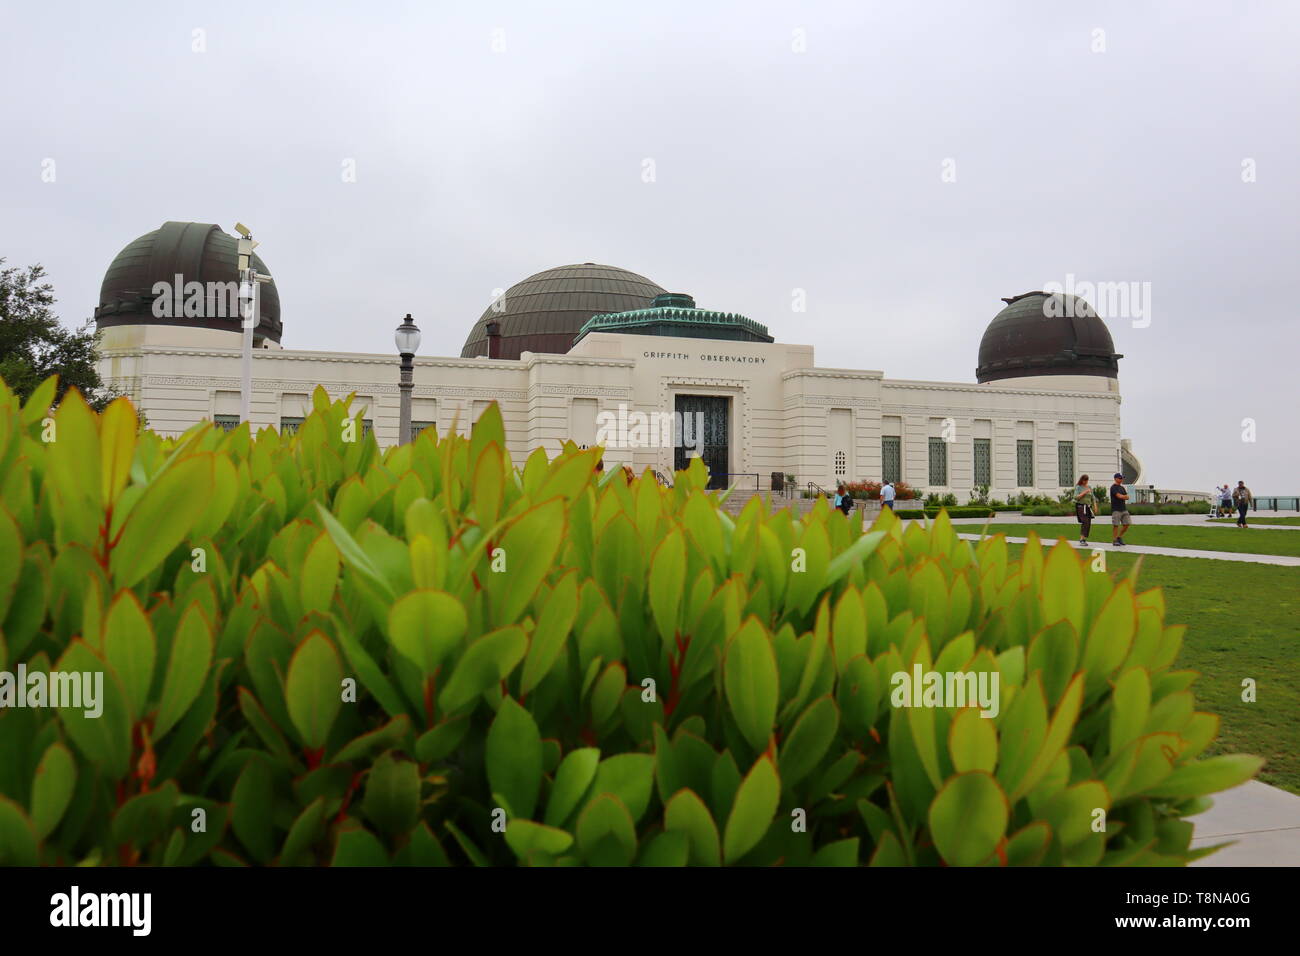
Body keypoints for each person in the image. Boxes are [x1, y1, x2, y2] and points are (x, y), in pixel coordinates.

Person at [1073, 475, 1094, 545]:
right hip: (1081, 506)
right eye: (1084, 480)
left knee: (1088, 522)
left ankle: (1084, 538)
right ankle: (1081, 539)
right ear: (1082, 480)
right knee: (1085, 521)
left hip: (1088, 507)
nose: (1085, 482)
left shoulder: (1089, 487)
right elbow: (1076, 497)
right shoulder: (1078, 487)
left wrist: (1095, 506)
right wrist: (1084, 492)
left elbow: (1093, 497)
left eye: (1087, 480)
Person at [1109, 473, 1130, 546]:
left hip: (1123, 509)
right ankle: (1114, 540)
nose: (1121, 479)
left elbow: (1127, 497)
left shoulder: (1122, 488)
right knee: (1116, 525)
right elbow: (1119, 496)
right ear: (1115, 478)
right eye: (1120, 478)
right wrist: (1123, 496)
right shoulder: (1113, 487)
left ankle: (1119, 537)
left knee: (1127, 524)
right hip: (1116, 509)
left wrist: (1123, 496)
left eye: (1122, 478)